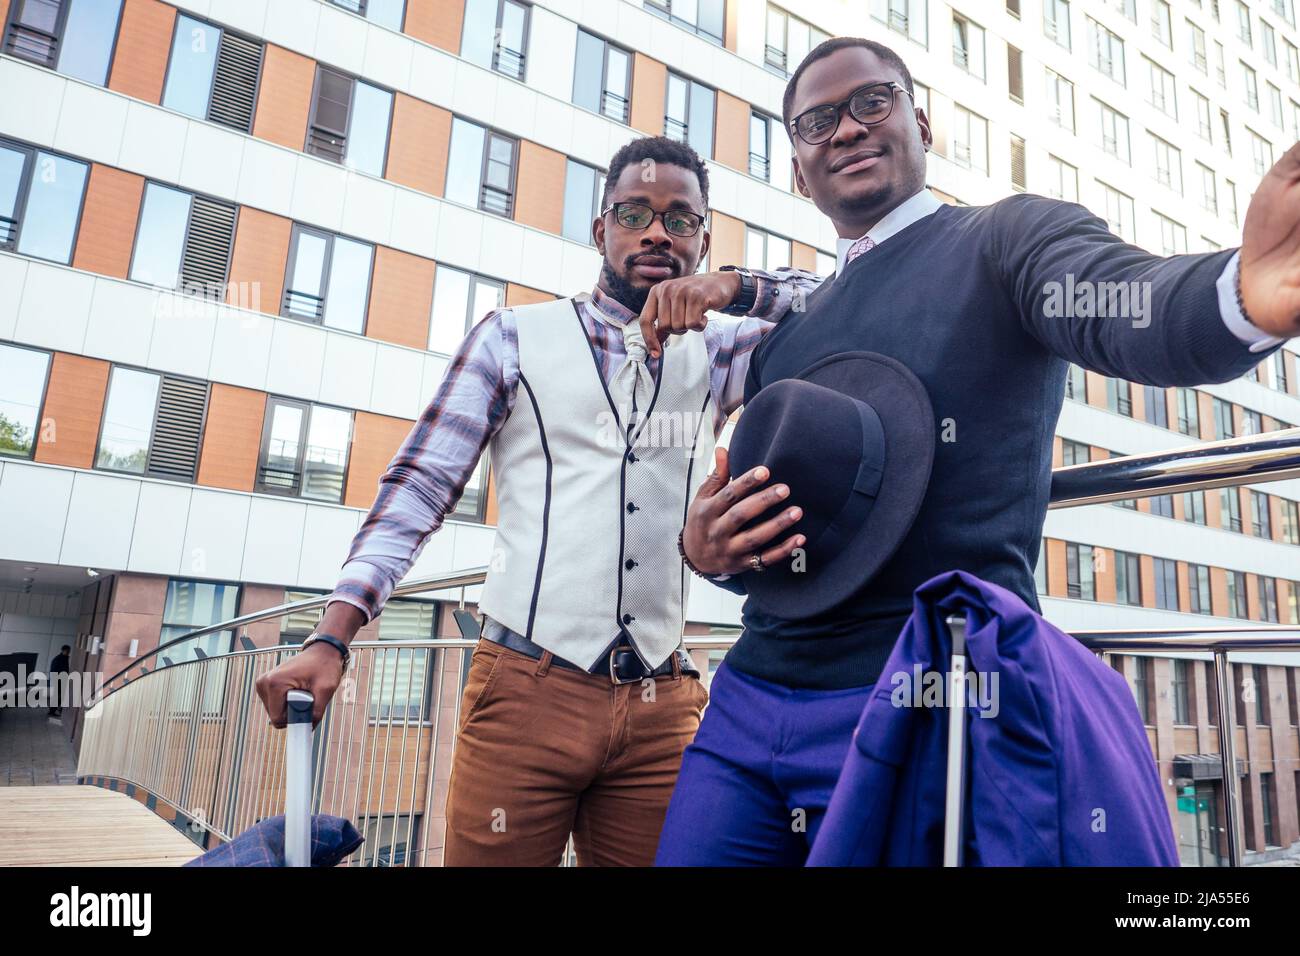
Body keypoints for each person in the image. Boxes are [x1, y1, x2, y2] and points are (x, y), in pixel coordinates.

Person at [657, 36, 1296, 866]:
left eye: (871, 102)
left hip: (916, 695)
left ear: (921, 121)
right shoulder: (787, 337)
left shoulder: (1006, 241)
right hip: (747, 697)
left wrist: (1241, 297)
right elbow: (768, 533)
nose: (846, 129)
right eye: (817, 123)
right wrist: (704, 551)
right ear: (798, 170)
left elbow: (1126, 304)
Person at [256, 135, 816, 866]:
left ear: (703, 240)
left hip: (663, 702)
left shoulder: (720, 350)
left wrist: (731, 289)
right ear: (600, 229)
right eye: (635, 213)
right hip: (525, 692)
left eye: (681, 220)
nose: (657, 232)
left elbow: (835, 301)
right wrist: (332, 637)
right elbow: (419, 490)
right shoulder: (511, 339)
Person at [47, 644, 70, 720]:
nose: (68, 652)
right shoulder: (58, 659)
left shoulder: (64, 658)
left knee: (60, 696)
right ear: (63, 650)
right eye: (67, 651)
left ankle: (56, 709)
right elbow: (54, 671)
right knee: (57, 696)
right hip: (58, 680)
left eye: (68, 651)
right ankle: (53, 710)